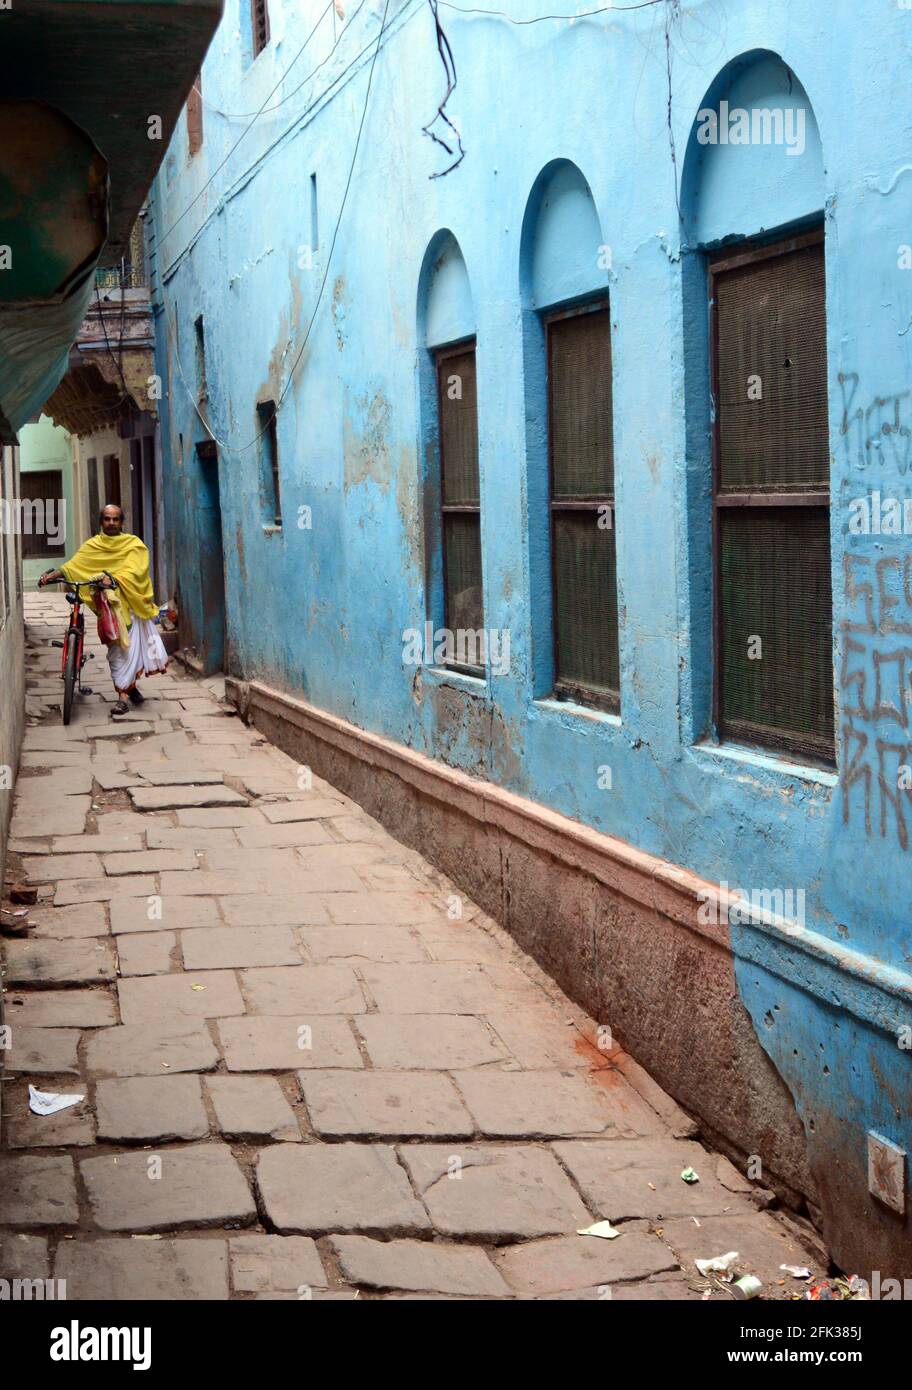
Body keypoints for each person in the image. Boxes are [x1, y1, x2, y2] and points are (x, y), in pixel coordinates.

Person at [38, 504, 169, 715]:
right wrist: (50, 577)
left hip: (130, 606)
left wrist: (114, 578)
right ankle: (129, 688)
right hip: (108, 609)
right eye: (107, 519)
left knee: (128, 649)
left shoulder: (133, 545)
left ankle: (123, 696)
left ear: (122, 522)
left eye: (115, 519)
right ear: (101, 522)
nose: (111, 523)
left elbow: (137, 571)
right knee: (116, 650)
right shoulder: (93, 545)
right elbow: (74, 566)